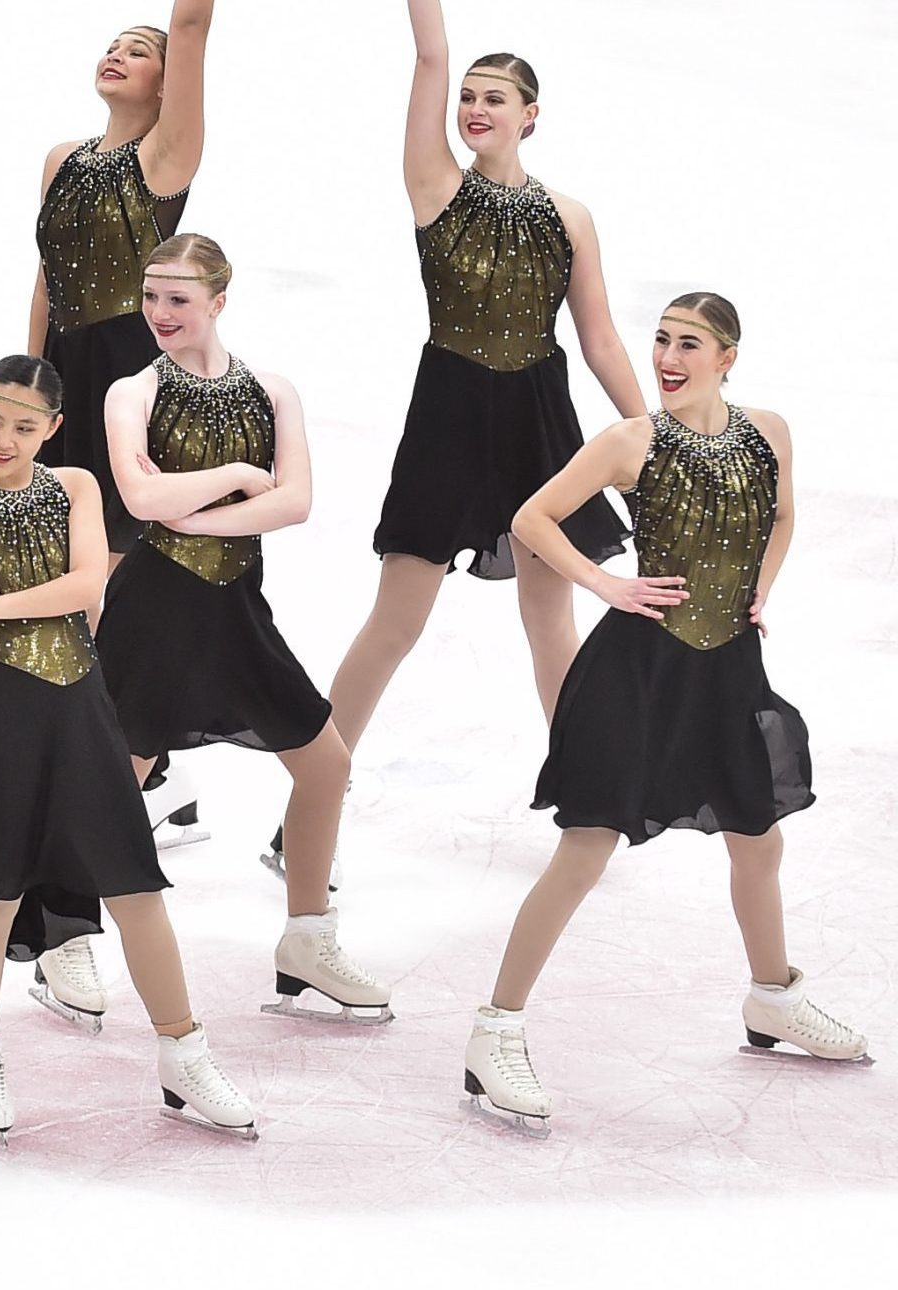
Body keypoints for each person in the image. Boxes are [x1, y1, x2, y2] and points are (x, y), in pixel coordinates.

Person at [464, 296, 866, 1133]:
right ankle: (494, 1030)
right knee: (585, 850)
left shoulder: (770, 432)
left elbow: (783, 515)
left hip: (728, 671)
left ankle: (772, 999)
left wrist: (761, 589)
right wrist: (606, 583)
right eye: (661, 340)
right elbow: (531, 517)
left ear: (728, 358)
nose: (667, 358)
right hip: (637, 675)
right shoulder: (631, 441)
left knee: (759, 839)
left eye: (688, 344)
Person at [293, 0, 647, 874]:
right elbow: (428, 59)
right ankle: (308, 801)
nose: (475, 108)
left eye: (495, 98)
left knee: (550, 619)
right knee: (396, 620)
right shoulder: (435, 186)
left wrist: (649, 431)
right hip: (449, 415)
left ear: (532, 115)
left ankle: (584, 794)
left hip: (538, 417)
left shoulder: (570, 216)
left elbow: (599, 337)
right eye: (469, 96)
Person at [0, 356, 254, 1142]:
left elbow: (84, 588)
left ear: (53, 428)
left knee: (137, 885)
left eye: (24, 425)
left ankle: (184, 1053)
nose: (4, 438)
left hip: (83, 712)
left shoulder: (75, 487)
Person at [97, 235, 390, 1025]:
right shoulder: (132, 393)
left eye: (178, 299)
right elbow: (141, 499)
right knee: (110, 790)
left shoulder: (273, 391)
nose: (159, 312)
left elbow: (294, 502)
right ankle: (61, 932)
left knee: (325, 765)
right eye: (151, 296)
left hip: (235, 608)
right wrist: (232, 479)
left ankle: (307, 942)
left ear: (219, 302)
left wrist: (190, 511)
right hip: (154, 613)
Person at [30, 2, 213, 560]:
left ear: (166, 85)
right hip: (63, 360)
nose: (117, 55)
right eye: (113, 47)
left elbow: (190, 28)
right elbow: (46, 278)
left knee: (114, 540)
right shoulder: (62, 159)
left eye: (138, 52)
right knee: (56, 534)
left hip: (126, 362)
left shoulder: (164, 158)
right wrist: (32, 374)